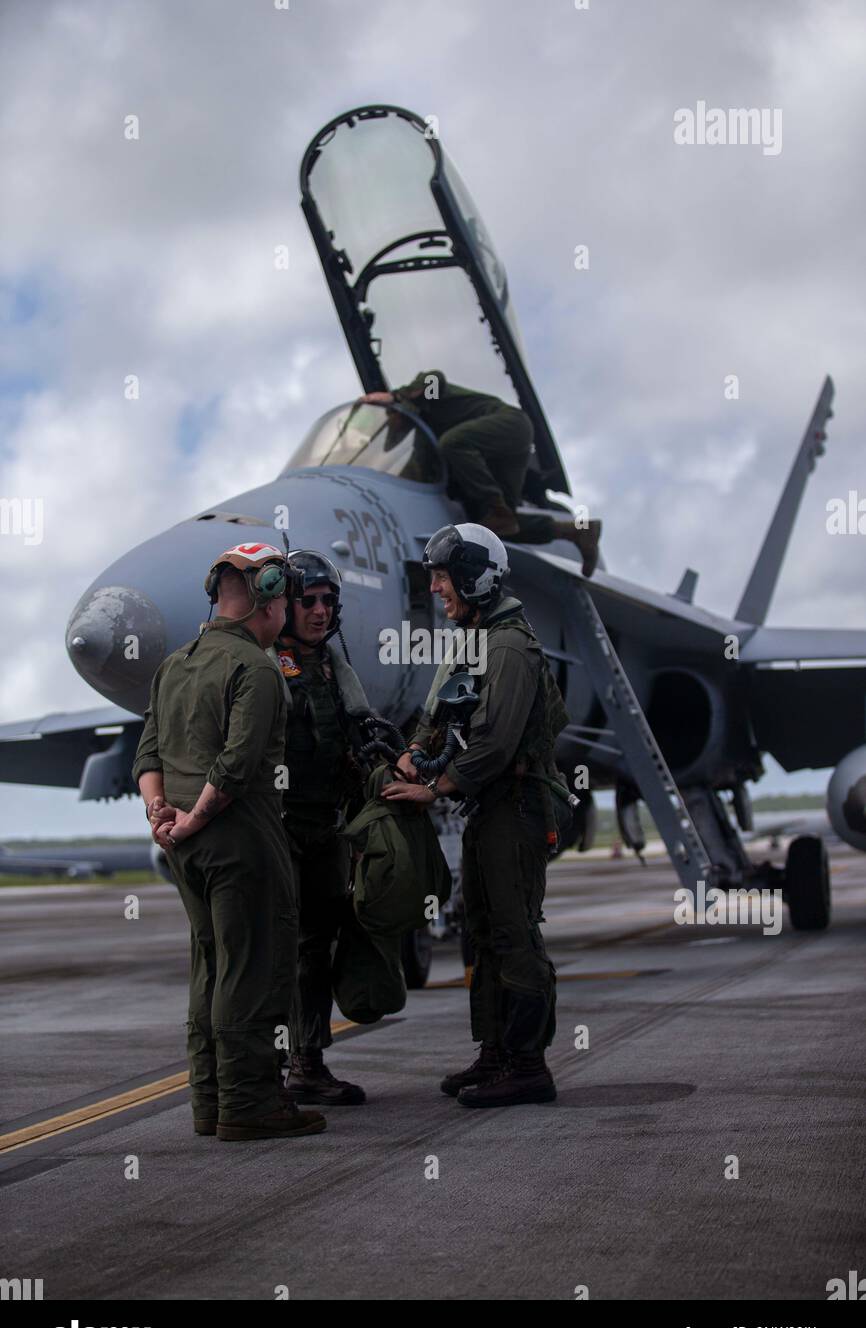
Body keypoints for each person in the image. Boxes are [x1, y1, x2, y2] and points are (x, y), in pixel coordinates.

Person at [132, 542, 326, 1143]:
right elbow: (238, 764)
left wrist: (162, 818)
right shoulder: (259, 669)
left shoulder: (176, 663)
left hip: (186, 849)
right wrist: (193, 820)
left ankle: (208, 1101)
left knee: (210, 966)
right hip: (241, 840)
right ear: (268, 598)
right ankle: (249, 1105)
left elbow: (148, 754)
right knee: (252, 968)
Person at [382, 523, 567, 1107]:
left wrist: (435, 789)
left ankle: (529, 1065)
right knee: (482, 933)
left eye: (442, 576)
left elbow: (494, 743)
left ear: (471, 576)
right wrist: (413, 753)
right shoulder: (471, 638)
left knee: (514, 932)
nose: (435, 587)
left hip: (517, 807)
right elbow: (437, 712)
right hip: (488, 807)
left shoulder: (508, 645)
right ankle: (495, 1054)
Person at [275, 551, 371, 1106]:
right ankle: (261, 1069)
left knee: (318, 946)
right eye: (307, 600)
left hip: (326, 827)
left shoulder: (336, 663)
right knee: (274, 946)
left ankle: (308, 1062)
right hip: (279, 828)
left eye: (327, 601)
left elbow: (359, 730)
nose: (318, 610)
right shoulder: (261, 662)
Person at [361, 370, 602, 575]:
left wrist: (395, 396)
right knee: (496, 527)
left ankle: (496, 507)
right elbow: (412, 471)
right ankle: (578, 532)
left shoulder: (428, 398)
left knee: (453, 443)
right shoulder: (424, 443)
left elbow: (434, 379)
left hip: (511, 424)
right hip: (496, 456)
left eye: (391, 415)